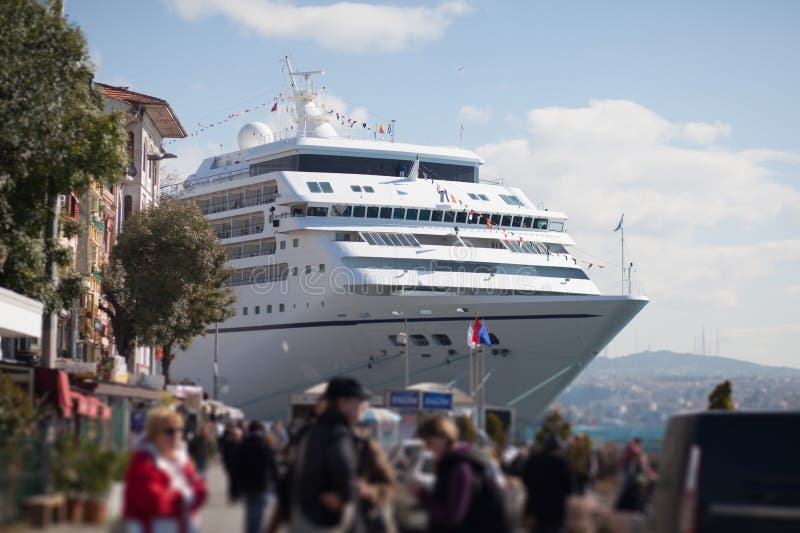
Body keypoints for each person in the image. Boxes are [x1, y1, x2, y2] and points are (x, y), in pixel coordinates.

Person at [290, 376, 370, 533]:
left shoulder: (314, 429)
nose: (364, 405)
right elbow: (343, 466)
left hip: (306, 515)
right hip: (326, 521)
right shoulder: (338, 432)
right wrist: (348, 495)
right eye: (359, 400)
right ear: (343, 402)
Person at [412, 415, 511, 533]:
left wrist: (421, 495)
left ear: (444, 438)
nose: (427, 449)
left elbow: (451, 517)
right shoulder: (460, 460)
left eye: (429, 443)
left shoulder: (460, 468)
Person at [123, 405, 208, 533]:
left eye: (179, 430)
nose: (176, 435)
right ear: (154, 435)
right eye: (169, 431)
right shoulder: (143, 462)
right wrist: (186, 498)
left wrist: (175, 495)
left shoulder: (181, 460)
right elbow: (157, 503)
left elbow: (201, 490)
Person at [522, 434, 574, 533]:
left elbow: (525, 479)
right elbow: (569, 488)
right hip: (556, 509)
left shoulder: (534, 459)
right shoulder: (562, 462)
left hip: (535, 506)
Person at [235, 420, 279, 533]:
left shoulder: (243, 445)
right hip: (262, 484)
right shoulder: (265, 446)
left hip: (247, 485)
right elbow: (273, 466)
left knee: (250, 511)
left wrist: (235, 487)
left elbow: (237, 467)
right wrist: (277, 482)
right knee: (259, 513)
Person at [354, 426, 397, 533]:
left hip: (369, 521)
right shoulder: (324, 443)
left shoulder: (367, 446)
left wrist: (369, 491)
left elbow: (390, 487)